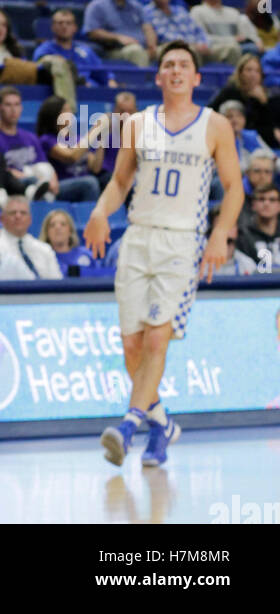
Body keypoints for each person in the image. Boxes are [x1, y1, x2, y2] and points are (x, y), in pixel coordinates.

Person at [85, 40, 242, 467]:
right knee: (132, 347)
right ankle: (163, 425)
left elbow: (235, 189)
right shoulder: (138, 123)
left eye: (183, 65)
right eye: (168, 64)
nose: (175, 70)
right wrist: (100, 211)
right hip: (137, 239)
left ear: (195, 77)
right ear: (158, 77)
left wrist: (219, 234)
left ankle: (129, 423)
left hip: (182, 241)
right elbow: (119, 182)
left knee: (158, 336)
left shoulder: (214, 125)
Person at [35, 95, 101, 201]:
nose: (70, 113)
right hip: (60, 185)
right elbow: (71, 157)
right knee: (90, 183)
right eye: (65, 110)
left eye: (69, 109)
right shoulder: (47, 140)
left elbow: (95, 168)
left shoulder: (78, 139)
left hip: (83, 182)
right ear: (54, 114)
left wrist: (101, 140)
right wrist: (94, 131)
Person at [82, 0, 151, 67]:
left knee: (171, 51)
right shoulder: (97, 5)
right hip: (116, 50)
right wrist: (118, 38)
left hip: (144, 47)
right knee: (136, 51)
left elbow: (147, 27)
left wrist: (152, 46)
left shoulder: (136, 5)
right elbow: (92, 32)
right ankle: (146, 82)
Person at [209, 54, 280, 149]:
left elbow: (272, 124)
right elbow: (210, 110)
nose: (253, 74)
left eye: (257, 71)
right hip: (231, 136)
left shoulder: (268, 95)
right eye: (249, 70)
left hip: (257, 140)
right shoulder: (230, 91)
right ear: (240, 72)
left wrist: (264, 102)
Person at [190, 0, 262, 61]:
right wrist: (232, 39)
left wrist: (256, 41)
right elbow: (201, 38)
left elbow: (245, 35)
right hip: (212, 50)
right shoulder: (197, 11)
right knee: (233, 49)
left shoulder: (233, 12)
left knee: (252, 48)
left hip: (235, 49)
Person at [0, 196, 62, 279]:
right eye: (13, 213)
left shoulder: (44, 249)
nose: (18, 216)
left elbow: (57, 283)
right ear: (2, 218)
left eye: (23, 213)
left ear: (30, 219)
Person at [39, 208, 100, 276]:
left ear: (70, 231)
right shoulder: (42, 258)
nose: (57, 227)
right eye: (52, 225)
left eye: (63, 224)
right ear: (47, 233)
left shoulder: (86, 254)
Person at [236, 185, 280, 270]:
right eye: (261, 199)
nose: (266, 204)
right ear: (253, 205)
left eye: (272, 200)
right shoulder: (242, 236)